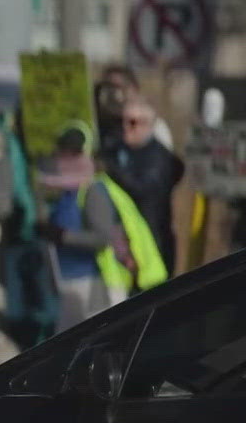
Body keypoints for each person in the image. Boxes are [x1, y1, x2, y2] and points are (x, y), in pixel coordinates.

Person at [39, 125, 166, 330]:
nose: (65, 158)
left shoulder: (94, 190)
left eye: (73, 152)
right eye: (64, 151)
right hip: (73, 284)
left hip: (97, 287)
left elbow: (101, 238)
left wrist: (62, 235)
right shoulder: (71, 190)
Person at [106, 98, 184, 275]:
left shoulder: (158, 158)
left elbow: (143, 189)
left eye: (132, 122)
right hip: (124, 243)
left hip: (152, 241)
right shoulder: (116, 150)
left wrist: (111, 171)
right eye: (121, 121)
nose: (125, 127)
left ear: (148, 125)